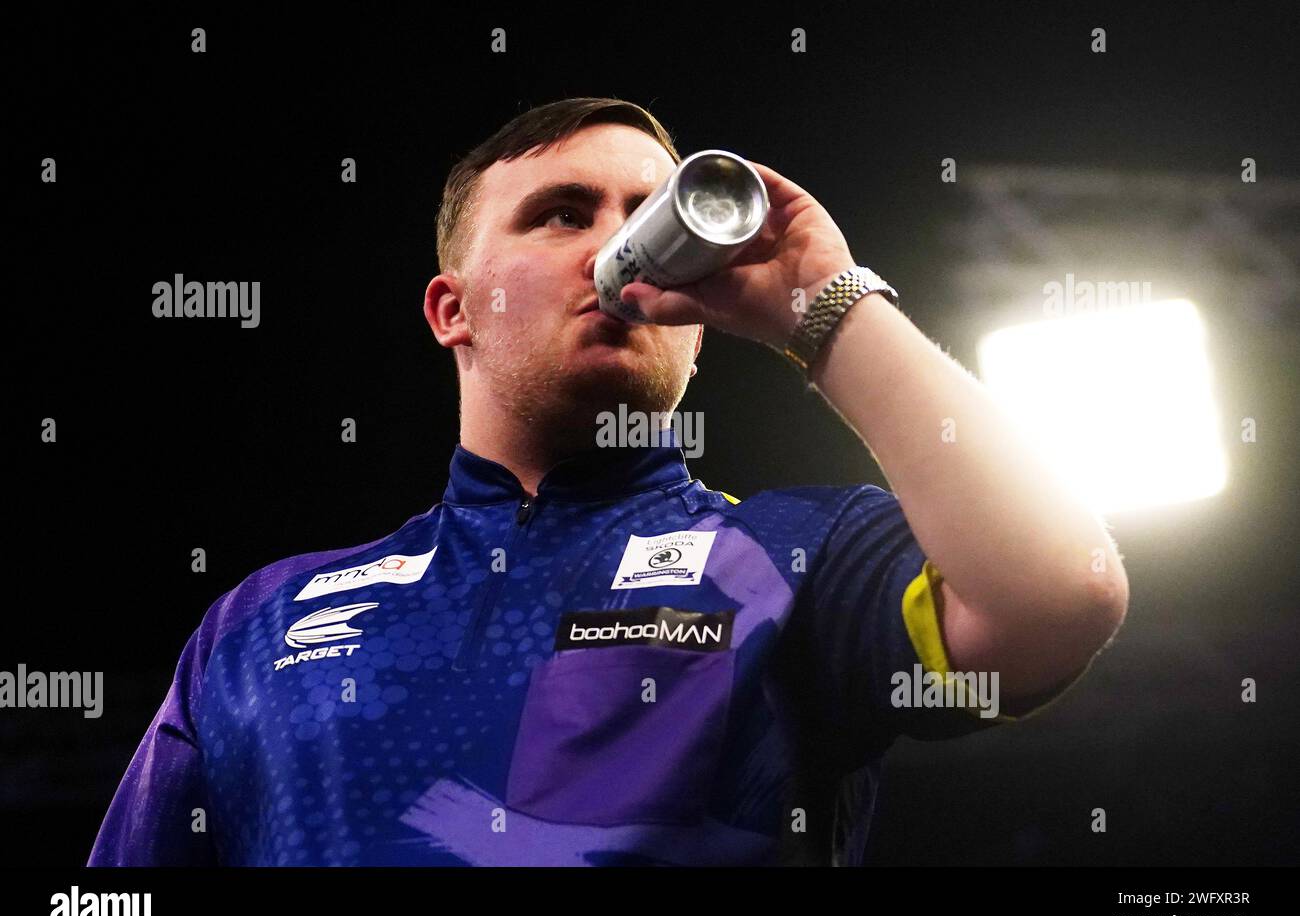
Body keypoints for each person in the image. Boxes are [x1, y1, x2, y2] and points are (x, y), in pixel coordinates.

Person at [88, 96, 1128, 866]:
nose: (621, 251)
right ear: (451, 308)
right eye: (560, 213)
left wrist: (823, 303)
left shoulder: (790, 556)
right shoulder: (259, 623)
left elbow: (1058, 593)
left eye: (644, 212)